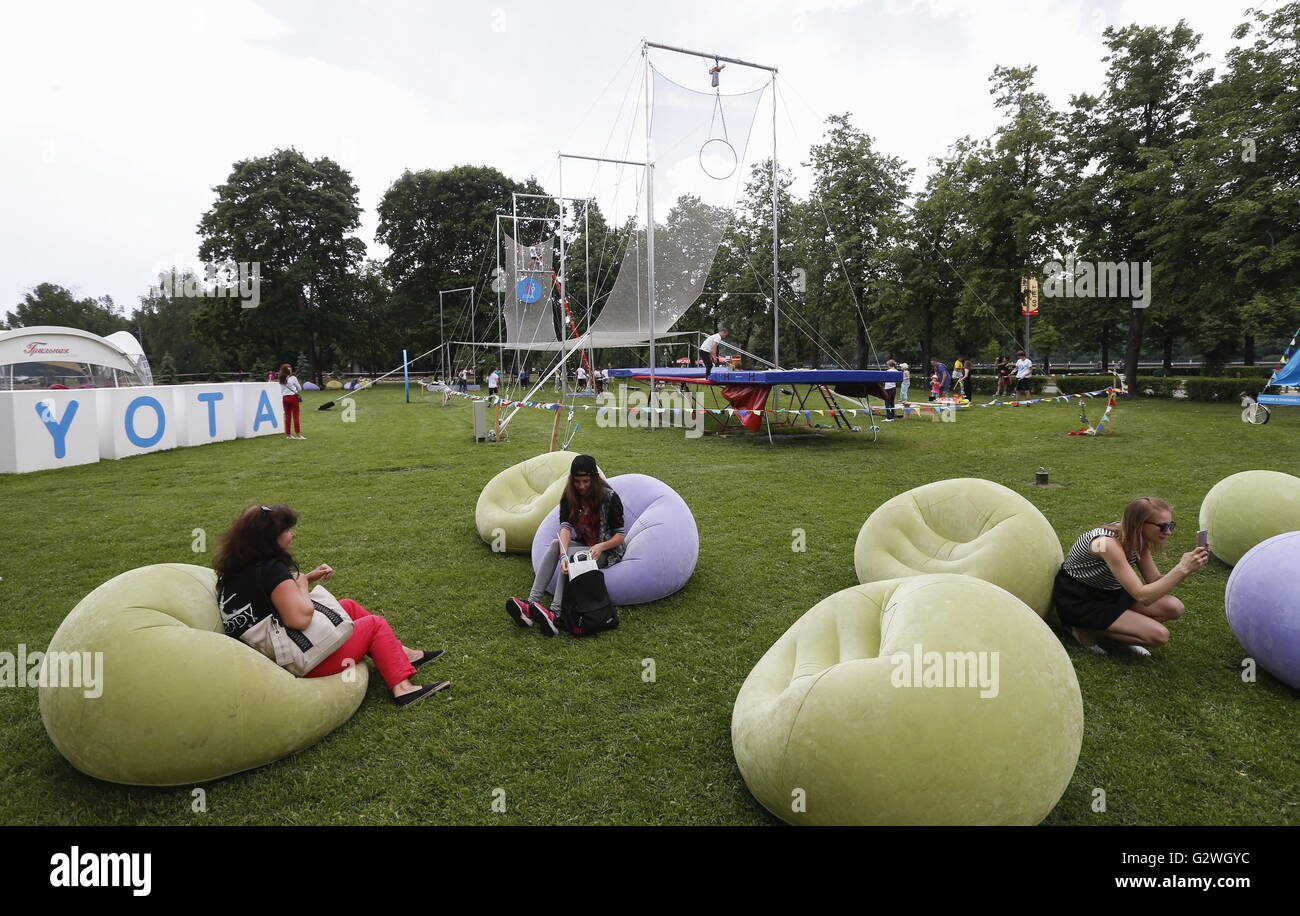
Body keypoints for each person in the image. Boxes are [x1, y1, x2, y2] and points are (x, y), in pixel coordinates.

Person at [215, 504, 449, 706]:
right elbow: (299, 619)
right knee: (374, 625)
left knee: (348, 606)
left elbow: (273, 597)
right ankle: (403, 689)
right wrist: (302, 585)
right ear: (269, 539)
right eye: (286, 530)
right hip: (301, 662)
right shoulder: (271, 569)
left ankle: (403, 654)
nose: (292, 535)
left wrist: (304, 578)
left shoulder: (236, 572)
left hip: (275, 654)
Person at [1054, 497, 1209, 656]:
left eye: (1170, 525)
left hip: (1110, 591)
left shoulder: (1137, 537)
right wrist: (1181, 568)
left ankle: (1123, 630)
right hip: (1080, 599)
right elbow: (1143, 596)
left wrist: (1189, 568)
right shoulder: (1106, 544)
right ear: (1138, 524)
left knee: (1174, 608)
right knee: (1159, 636)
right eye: (1162, 526)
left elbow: (1154, 580)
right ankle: (1082, 628)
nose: (1168, 532)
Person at [506, 454, 625, 636]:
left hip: (606, 551)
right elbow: (565, 527)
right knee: (557, 545)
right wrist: (562, 555)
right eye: (577, 481)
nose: (581, 486)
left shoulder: (610, 498)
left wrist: (601, 547)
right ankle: (530, 605)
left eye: (586, 481)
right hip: (583, 546)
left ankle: (555, 613)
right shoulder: (569, 496)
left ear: (594, 479)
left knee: (572, 556)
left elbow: (620, 536)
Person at [278, 363, 304, 440]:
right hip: (293, 398)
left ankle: (288, 435)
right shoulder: (293, 378)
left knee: (287, 417)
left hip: (284, 398)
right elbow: (299, 388)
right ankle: (298, 435)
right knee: (296, 417)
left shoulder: (281, 378)